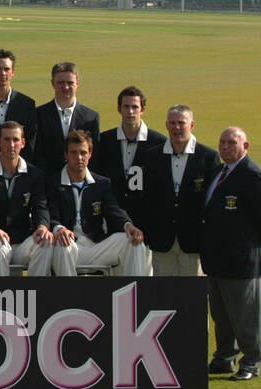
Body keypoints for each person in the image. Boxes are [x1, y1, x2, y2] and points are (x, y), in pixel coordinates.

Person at [201, 127, 261, 381]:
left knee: (245, 316)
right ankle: (224, 358)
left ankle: (252, 362)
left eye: (231, 143)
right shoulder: (219, 172)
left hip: (242, 262)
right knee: (221, 316)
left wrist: (252, 248)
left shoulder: (252, 175)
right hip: (217, 261)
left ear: (245, 146)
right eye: (221, 142)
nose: (224, 147)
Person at [46, 130, 148, 276]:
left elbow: (113, 209)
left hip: (96, 245)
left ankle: (136, 295)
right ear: (66, 154)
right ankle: (66, 297)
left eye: (83, 152)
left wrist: (128, 225)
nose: (79, 157)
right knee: (63, 245)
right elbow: (50, 213)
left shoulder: (102, 183)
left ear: (90, 154)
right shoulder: (52, 183)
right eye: (74, 153)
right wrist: (59, 229)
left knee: (132, 240)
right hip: (68, 245)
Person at [141, 105, 220, 277]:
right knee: (163, 293)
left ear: (192, 125)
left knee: (192, 294)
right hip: (162, 239)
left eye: (181, 123)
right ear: (166, 125)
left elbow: (212, 201)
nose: (176, 127)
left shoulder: (208, 157)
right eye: (172, 123)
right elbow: (147, 198)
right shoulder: (153, 156)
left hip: (193, 240)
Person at [0, 121, 53, 275]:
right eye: (7, 139)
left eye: (16, 140)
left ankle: (37, 296)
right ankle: (2, 297)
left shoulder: (35, 174)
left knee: (46, 242)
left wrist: (42, 226)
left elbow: (40, 207)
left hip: (22, 241)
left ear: (23, 143)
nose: (11, 144)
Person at [95, 85, 166, 220]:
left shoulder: (159, 143)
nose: (130, 112)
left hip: (147, 217)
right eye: (126, 107)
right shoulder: (104, 140)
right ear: (119, 109)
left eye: (135, 107)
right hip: (111, 216)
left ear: (143, 109)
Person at [34, 61, 100, 180]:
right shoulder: (38, 115)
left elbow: (94, 157)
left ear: (78, 83)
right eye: (60, 83)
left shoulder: (91, 117)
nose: (65, 87)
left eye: (70, 83)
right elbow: (36, 153)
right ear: (52, 83)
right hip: (48, 181)